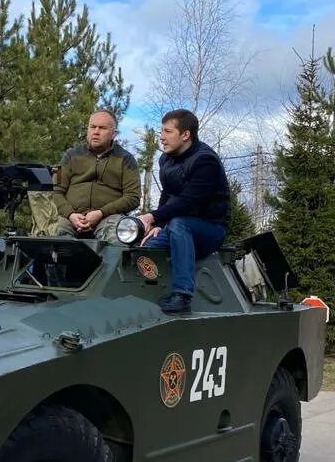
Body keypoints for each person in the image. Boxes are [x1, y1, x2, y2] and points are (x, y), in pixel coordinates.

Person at [137, 109, 231, 314]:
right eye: (161, 130)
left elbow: (190, 202)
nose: (161, 137)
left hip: (210, 229)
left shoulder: (205, 161)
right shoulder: (166, 160)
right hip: (176, 226)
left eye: (167, 131)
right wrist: (158, 225)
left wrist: (153, 216)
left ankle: (182, 295)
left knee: (179, 224)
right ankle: (142, 296)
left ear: (185, 135)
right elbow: (168, 195)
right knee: (145, 246)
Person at [53, 109, 140, 243]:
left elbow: (133, 197)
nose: (96, 132)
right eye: (92, 127)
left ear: (113, 134)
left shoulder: (127, 159)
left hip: (108, 219)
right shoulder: (69, 155)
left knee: (119, 240)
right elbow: (54, 189)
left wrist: (101, 213)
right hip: (69, 218)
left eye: (102, 128)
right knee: (51, 236)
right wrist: (70, 214)